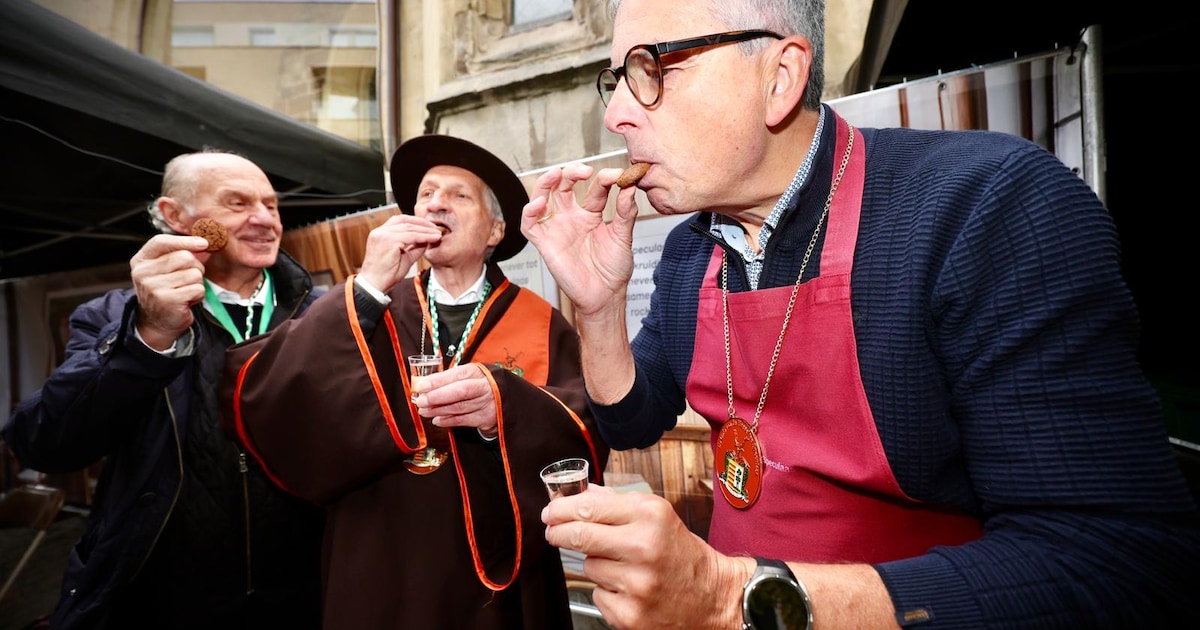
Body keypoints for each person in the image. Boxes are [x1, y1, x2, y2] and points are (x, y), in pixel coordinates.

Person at [521, 0, 1200, 628]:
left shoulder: (986, 208)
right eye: (619, 78)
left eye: (653, 67)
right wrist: (599, 306)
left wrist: (731, 598)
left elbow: (1115, 562)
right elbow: (632, 416)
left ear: (780, 77)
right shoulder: (688, 253)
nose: (616, 117)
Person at [219, 134, 608, 629]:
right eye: (426, 193)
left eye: (458, 195)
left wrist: (501, 412)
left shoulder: (541, 321)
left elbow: (584, 432)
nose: (435, 202)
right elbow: (268, 395)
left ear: (494, 230)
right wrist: (366, 285)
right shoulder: (366, 306)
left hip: (494, 573)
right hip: (380, 556)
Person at [2, 150, 325, 629]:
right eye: (237, 203)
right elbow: (44, 443)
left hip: (304, 594)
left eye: (272, 205)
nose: (263, 220)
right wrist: (148, 337)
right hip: (161, 597)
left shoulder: (325, 314)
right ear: (176, 215)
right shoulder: (113, 316)